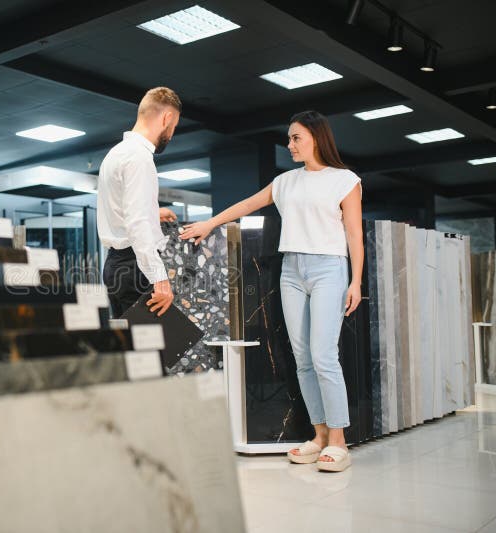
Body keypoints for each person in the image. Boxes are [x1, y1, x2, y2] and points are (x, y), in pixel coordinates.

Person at [180, 110, 363, 472]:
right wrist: (211, 222)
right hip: (292, 269)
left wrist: (355, 281)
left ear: (315, 137)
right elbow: (248, 204)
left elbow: (354, 234)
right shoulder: (286, 181)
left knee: (324, 355)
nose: (290, 144)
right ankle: (320, 434)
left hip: (330, 268)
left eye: (296, 137)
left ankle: (340, 441)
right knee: (303, 358)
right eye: (289, 138)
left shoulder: (345, 180)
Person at [97, 87, 181, 318]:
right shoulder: (140, 158)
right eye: (173, 127)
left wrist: (153, 213)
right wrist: (160, 280)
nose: (171, 134)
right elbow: (137, 224)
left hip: (114, 266)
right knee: (152, 352)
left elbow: (118, 212)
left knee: (130, 350)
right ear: (167, 118)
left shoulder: (115, 154)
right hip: (135, 268)